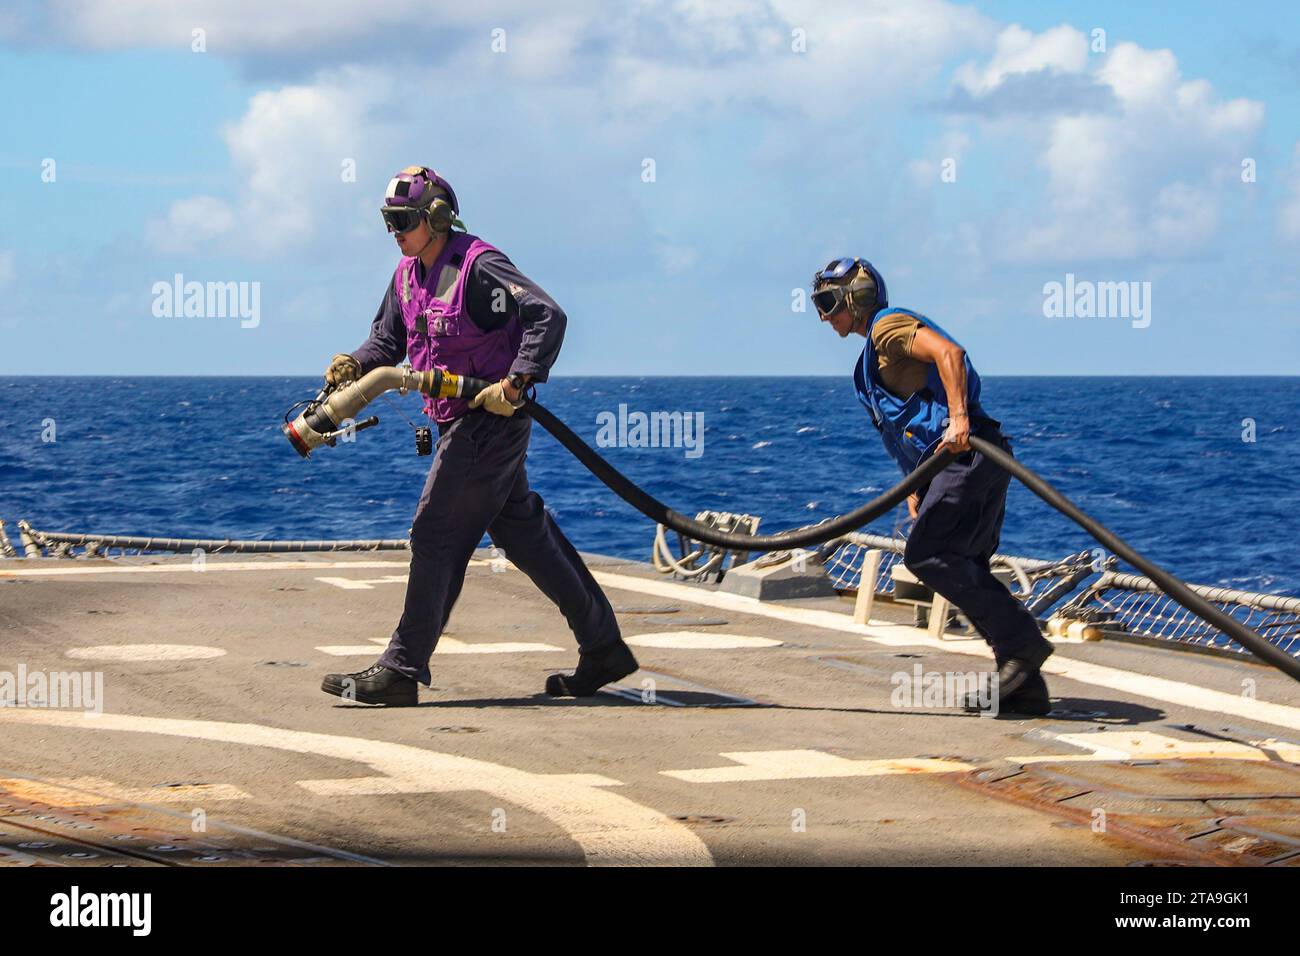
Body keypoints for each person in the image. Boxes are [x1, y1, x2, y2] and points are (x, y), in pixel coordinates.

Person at [319, 165, 638, 706]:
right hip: (458, 422)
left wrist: (517, 381)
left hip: (488, 421)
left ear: (436, 218)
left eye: (402, 220)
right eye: (387, 222)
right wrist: (354, 363)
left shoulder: (478, 265)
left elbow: (547, 315)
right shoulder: (405, 277)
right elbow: (386, 342)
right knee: (524, 534)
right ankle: (603, 646)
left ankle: (401, 670)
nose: (394, 232)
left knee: (436, 531)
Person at [811, 257, 1054, 714]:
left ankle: (1022, 645)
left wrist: (959, 418)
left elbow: (949, 354)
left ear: (854, 297)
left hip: (966, 453)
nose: (824, 317)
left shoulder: (887, 328)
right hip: (966, 458)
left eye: (827, 303)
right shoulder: (869, 362)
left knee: (927, 555)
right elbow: (903, 430)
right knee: (964, 561)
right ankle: (1024, 683)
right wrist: (915, 488)